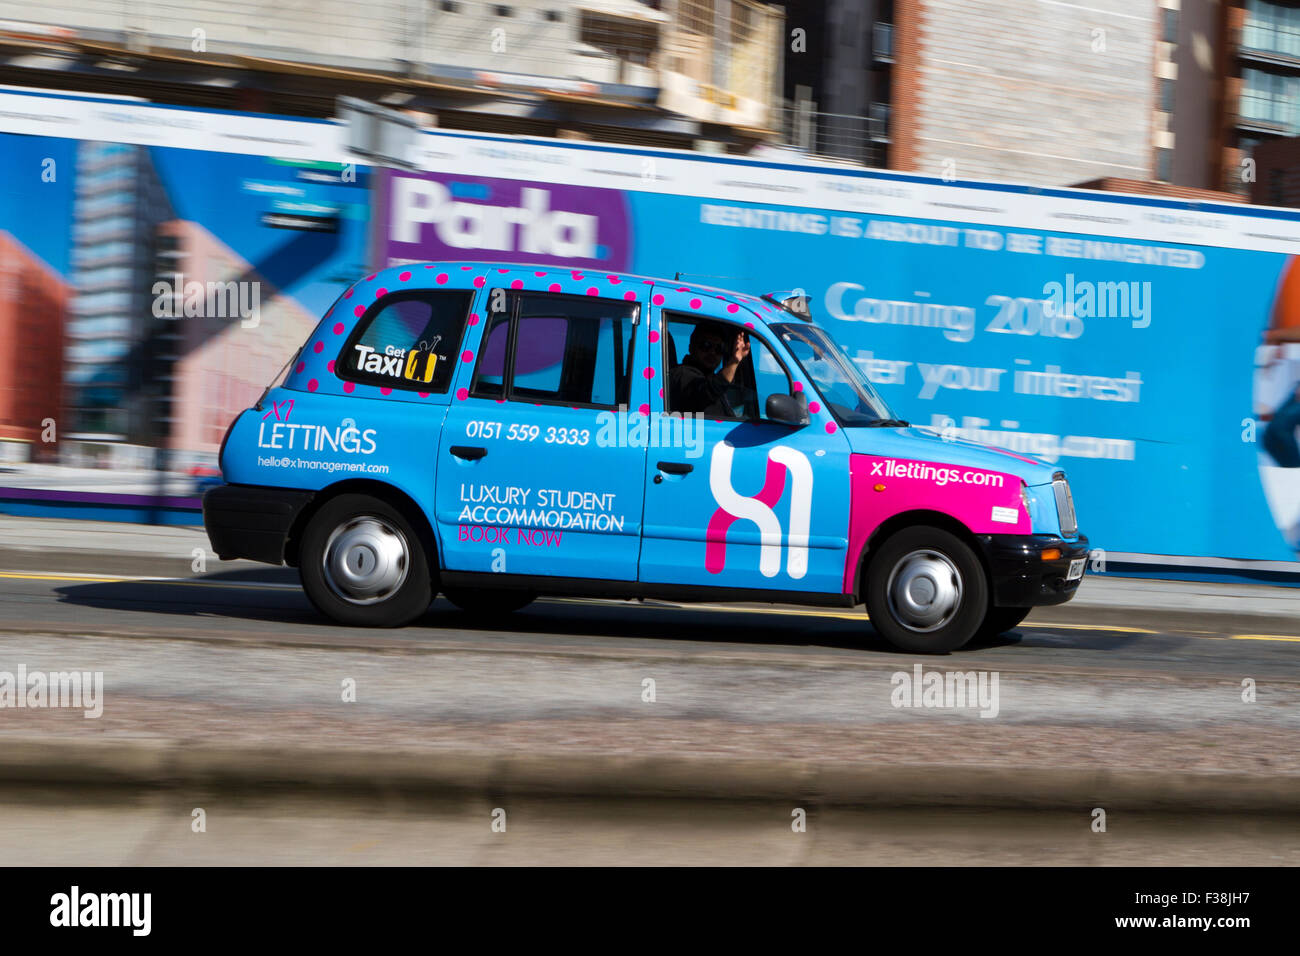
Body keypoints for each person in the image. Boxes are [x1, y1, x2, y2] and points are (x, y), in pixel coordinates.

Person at [669, 324, 750, 416]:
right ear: (691, 347)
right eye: (706, 345)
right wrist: (734, 361)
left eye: (719, 348)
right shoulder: (681, 374)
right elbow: (707, 392)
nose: (712, 352)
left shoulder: (708, 378)